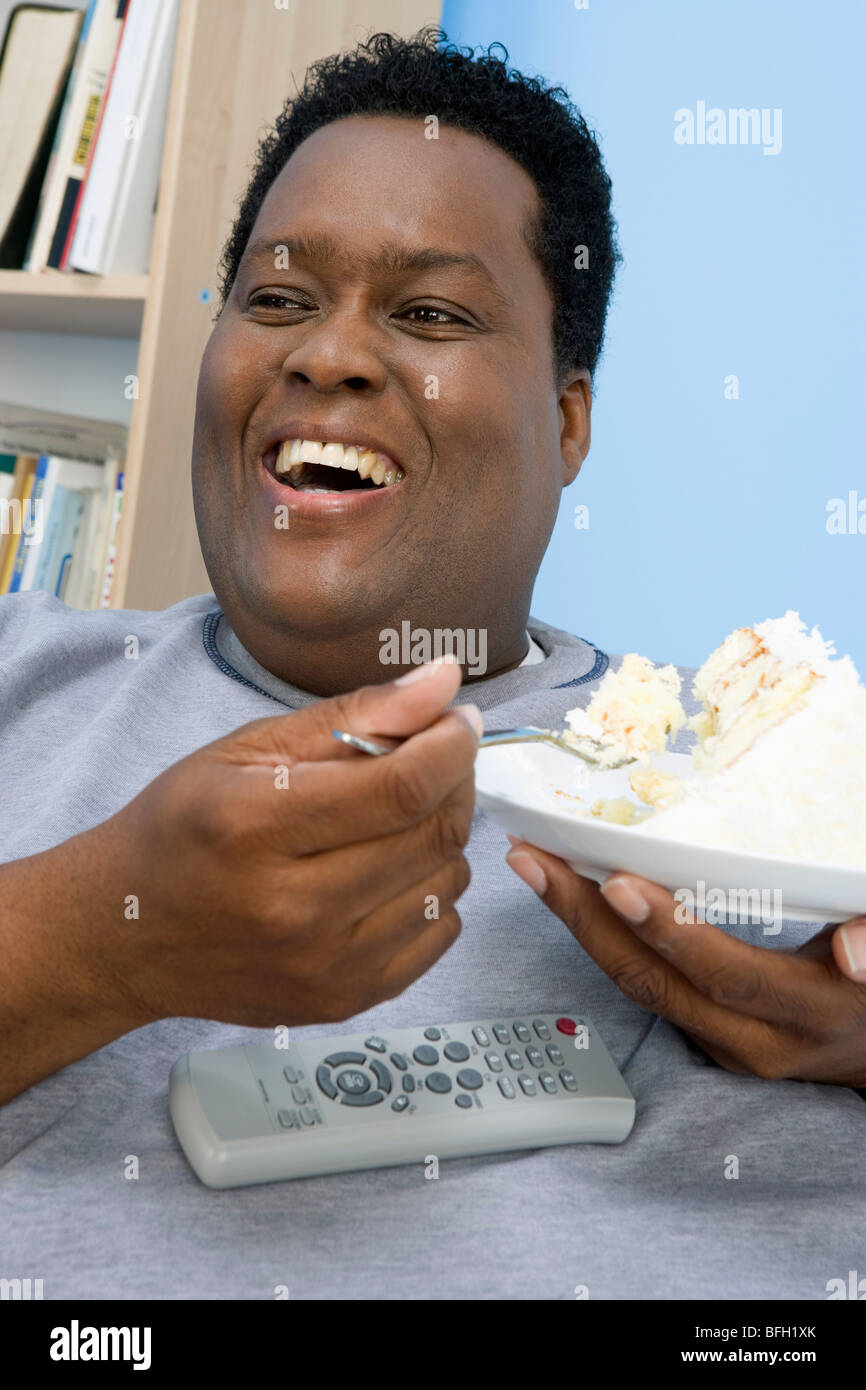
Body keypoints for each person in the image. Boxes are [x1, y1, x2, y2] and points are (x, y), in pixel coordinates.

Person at [1, 29, 863, 1301]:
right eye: (277, 298)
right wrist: (99, 935)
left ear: (567, 421)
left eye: (427, 314)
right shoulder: (20, 669)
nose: (326, 355)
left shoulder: (775, 787)